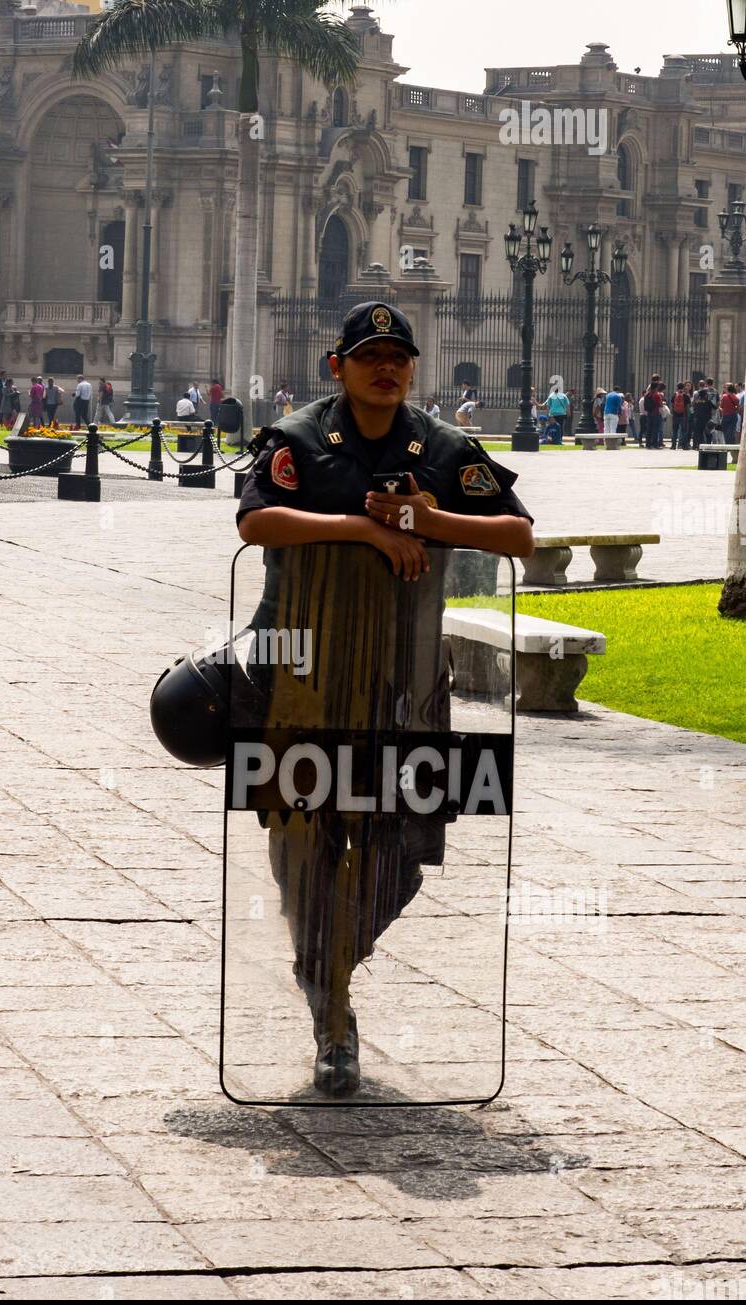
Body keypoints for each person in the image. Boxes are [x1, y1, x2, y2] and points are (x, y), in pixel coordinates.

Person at [235, 301, 534, 1098]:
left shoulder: (441, 450)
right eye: (368, 354)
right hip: (305, 677)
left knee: (398, 854)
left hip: (406, 683)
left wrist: (432, 517)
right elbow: (257, 523)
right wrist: (365, 530)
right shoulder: (297, 439)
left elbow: (518, 536)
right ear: (337, 365)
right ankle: (333, 1016)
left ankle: (319, 966)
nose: (385, 366)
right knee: (304, 842)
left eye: (397, 355)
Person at [671, 382, 691, 450]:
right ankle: (684, 446)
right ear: (683, 388)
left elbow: (672, 405)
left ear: (677, 387)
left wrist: (674, 413)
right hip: (683, 415)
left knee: (675, 431)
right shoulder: (686, 396)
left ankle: (673, 445)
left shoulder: (674, 395)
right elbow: (688, 407)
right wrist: (687, 415)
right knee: (684, 431)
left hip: (675, 415)